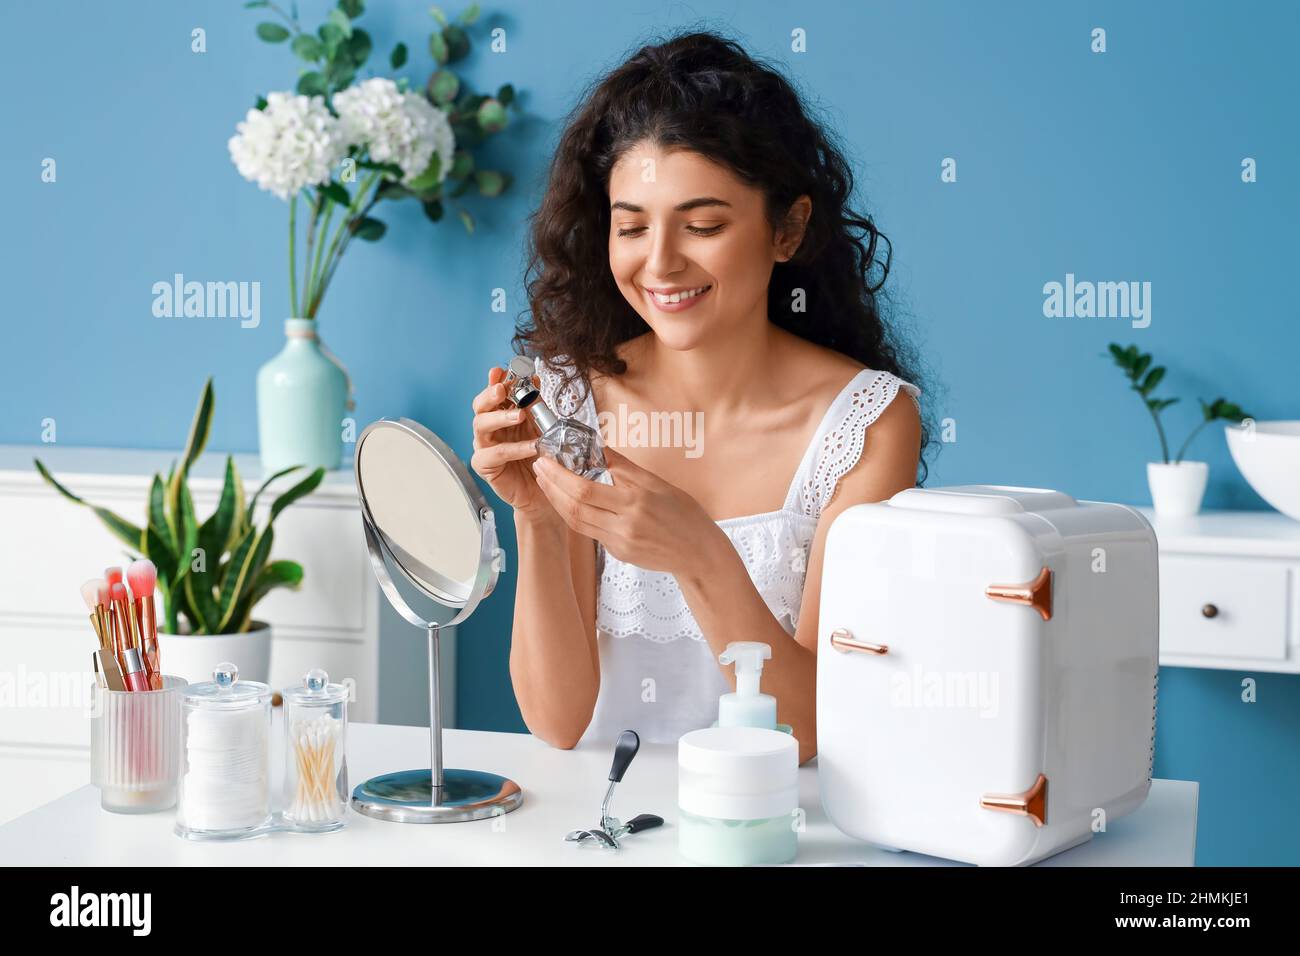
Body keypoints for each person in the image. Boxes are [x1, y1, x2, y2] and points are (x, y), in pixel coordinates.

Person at [470, 31, 932, 764]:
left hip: (782, 830)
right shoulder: (563, 393)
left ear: (788, 228)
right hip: (609, 823)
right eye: (631, 227)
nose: (660, 264)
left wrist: (698, 553)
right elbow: (557, 722)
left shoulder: (869, 424)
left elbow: (808, 734)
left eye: (704, 225)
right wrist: (536, 515)